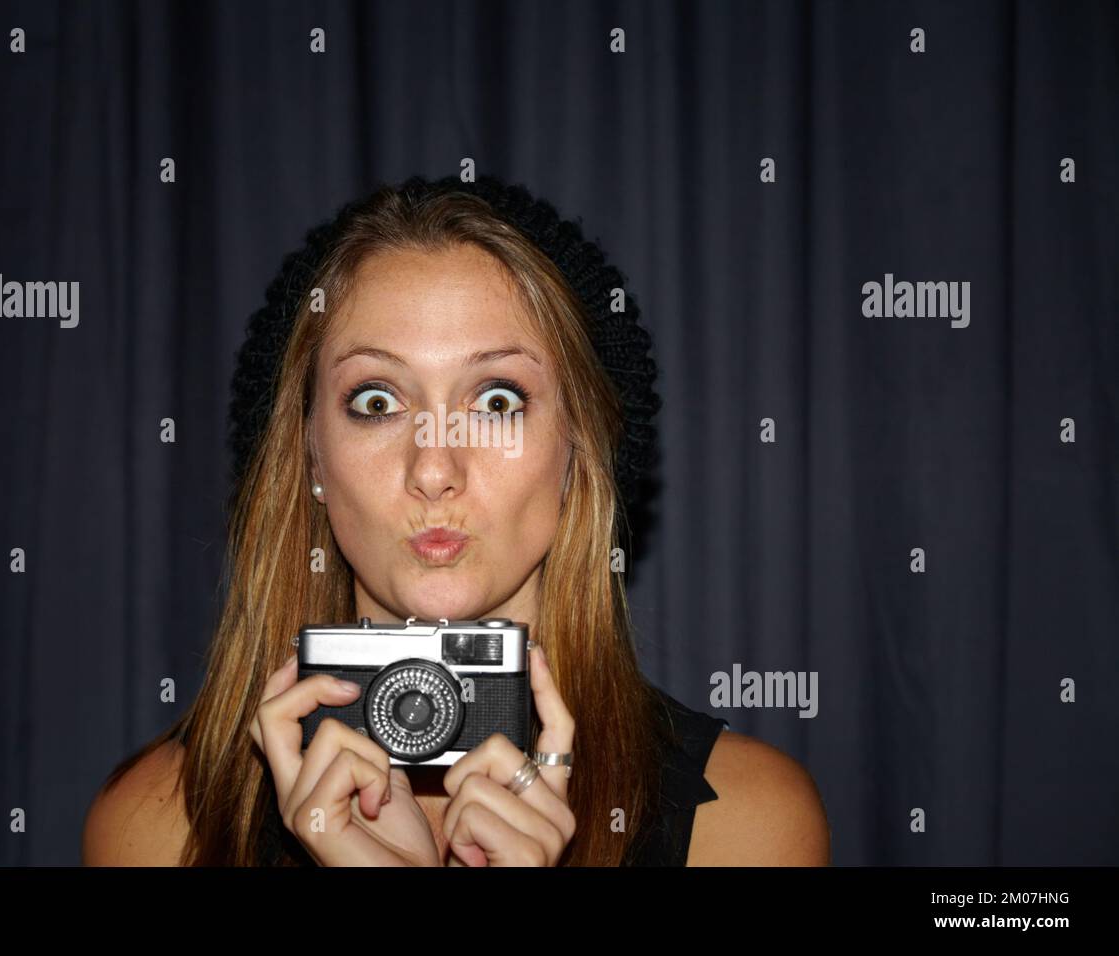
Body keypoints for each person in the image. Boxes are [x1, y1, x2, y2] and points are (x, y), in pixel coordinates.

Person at [81, 174, 832, 866]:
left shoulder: (743, 827)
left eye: (497, 400)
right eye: (377, 401)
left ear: (579, 450)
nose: (434, 468)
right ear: (310, 459)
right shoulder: (158, 828)